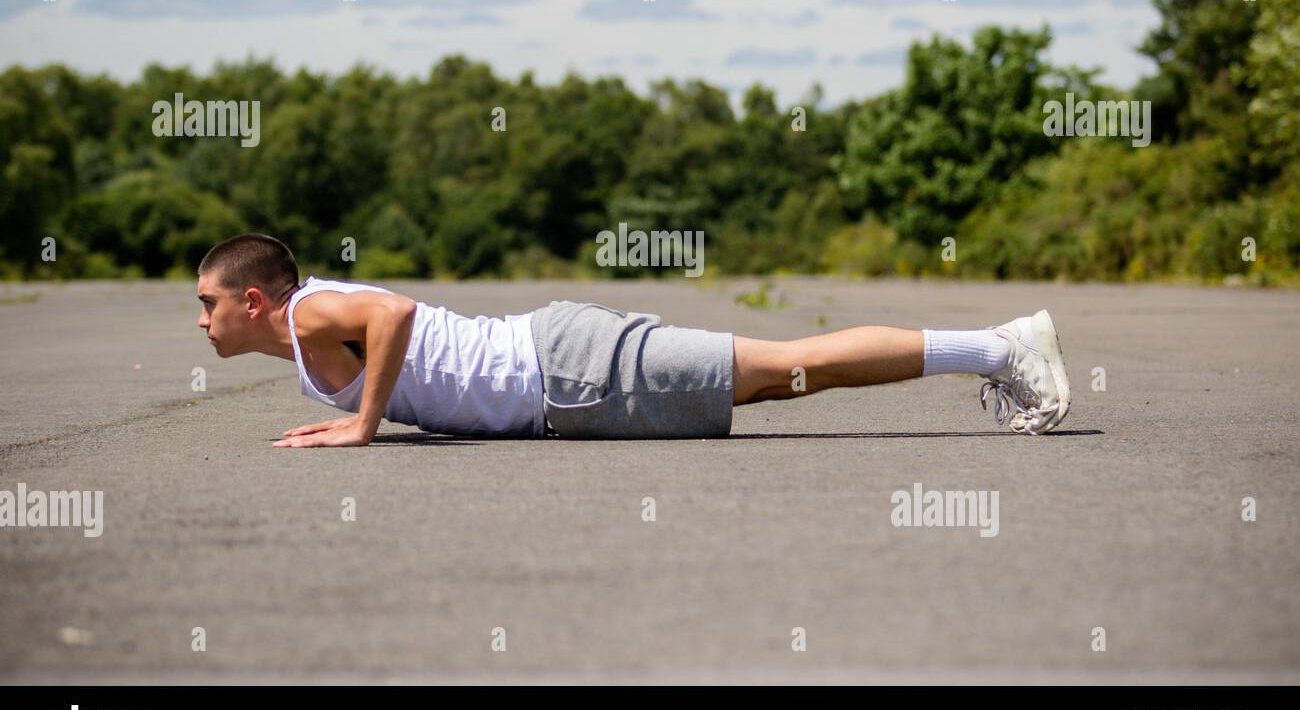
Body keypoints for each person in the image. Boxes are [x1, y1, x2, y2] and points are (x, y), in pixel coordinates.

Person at [196, 233, 1070, 448]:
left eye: (208, 303)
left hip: (570, 369)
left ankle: (1001, 348)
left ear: (254, 299)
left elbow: (394, 317)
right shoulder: (307, 351)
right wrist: (356, 413)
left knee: (783, 367)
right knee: (776, 380)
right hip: (565, 386)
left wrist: (364, 424)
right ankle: (996, 350)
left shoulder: (309, 310)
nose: (201, 320)